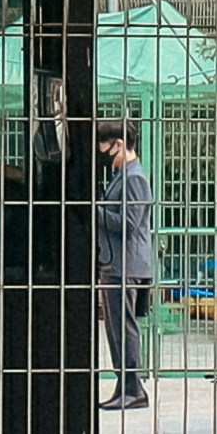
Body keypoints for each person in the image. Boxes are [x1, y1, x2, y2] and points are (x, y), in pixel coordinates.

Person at [87, 118, 162, 412]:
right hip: (116, 264)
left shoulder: (134, 179)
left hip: (126, 265)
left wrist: (95, 210)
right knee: (115, 329)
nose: (104, 157)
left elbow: (130, 224)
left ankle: (133, 387)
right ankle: (124, 386)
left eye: (105, 150)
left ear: (119, 144)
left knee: (124, 327)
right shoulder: (124, 176)